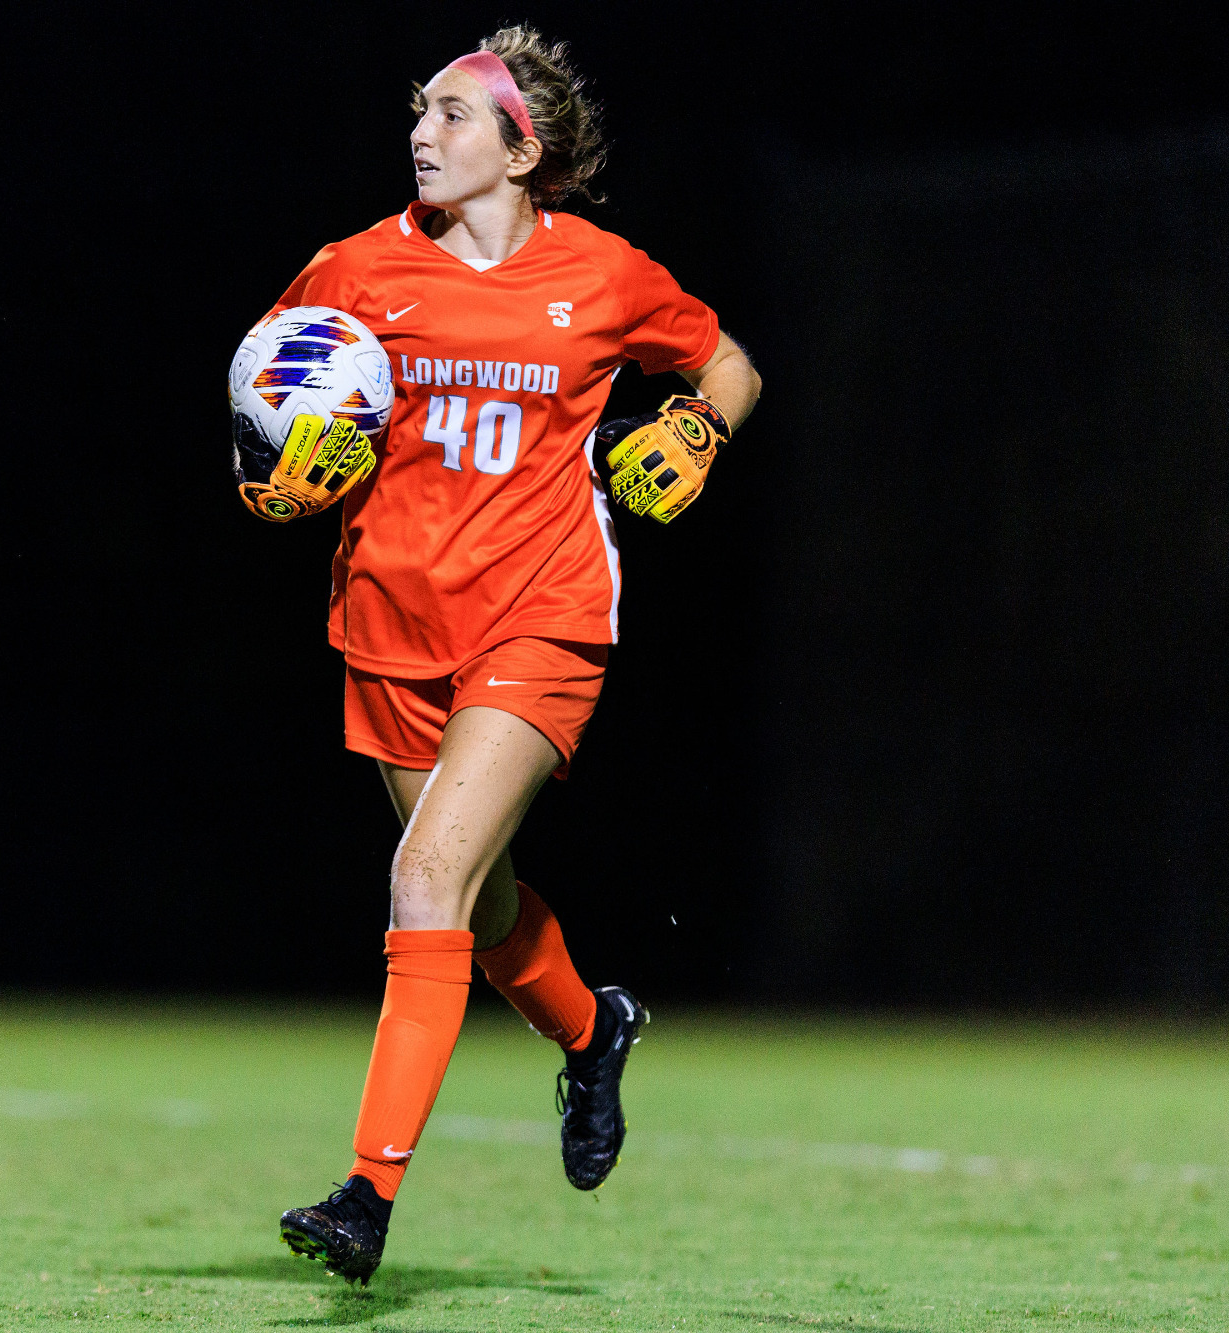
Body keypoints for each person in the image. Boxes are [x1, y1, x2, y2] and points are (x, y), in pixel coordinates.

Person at [241, 26, 762, 1285]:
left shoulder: (601, 275)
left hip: (542, 617)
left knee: (425, 884)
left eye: (452, 116)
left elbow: (729, 363)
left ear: (522, 149)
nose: (421, 132)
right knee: (480, 911)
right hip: (391, 625)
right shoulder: (353, 270)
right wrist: (282, 472)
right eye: (417, 112)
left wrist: (695, 425)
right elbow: (269, 394)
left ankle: (365, 1196)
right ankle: (593, 1033)